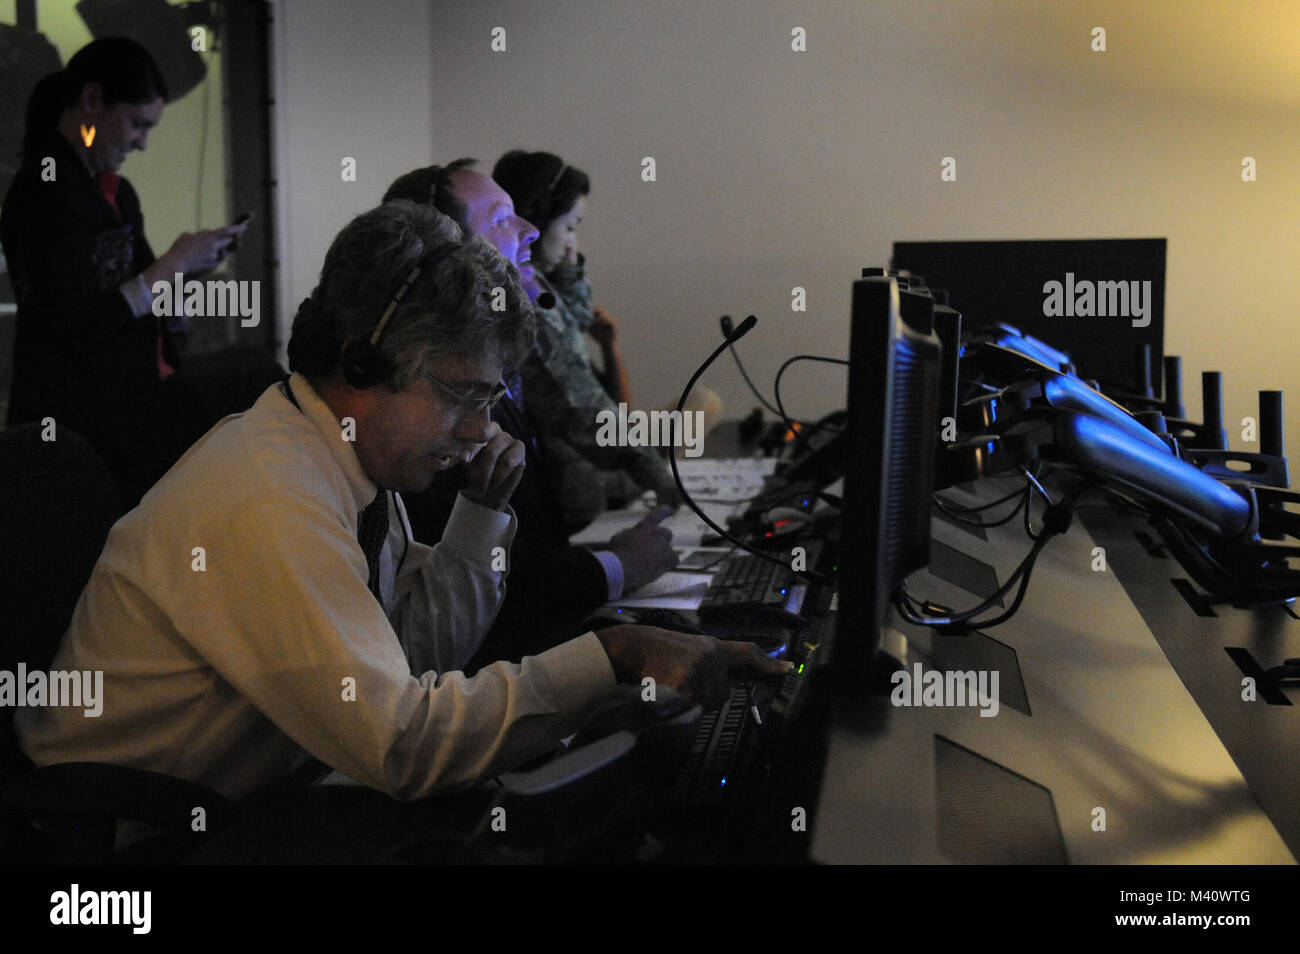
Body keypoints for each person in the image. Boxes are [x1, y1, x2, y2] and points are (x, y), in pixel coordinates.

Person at [15, 201, 784, 804]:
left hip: (265, 791)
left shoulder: (340, 458)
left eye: (492, 399)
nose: (482, 430)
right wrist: (615, 655)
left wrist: (479, 517)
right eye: (463, 395)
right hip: (135, 841)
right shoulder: (268, 496)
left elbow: (414, 655)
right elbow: (404, 744)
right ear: (361, 363)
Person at [384, 161, 678, 667]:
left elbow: (515, 544)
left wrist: (606, 557)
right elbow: (491, 579)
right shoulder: (431, 396)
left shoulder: (493, 353)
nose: (529, 231)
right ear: (445, 254)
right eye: (501, 220)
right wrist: (613, 565)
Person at [1, 37, 246, 506]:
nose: (142, 142)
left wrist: (186, 269)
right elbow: (76, 324)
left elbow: (137, 298)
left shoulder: (115, 192)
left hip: (126, 415)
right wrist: (174, 264)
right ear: (91, 100)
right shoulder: (42, 187)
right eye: (137, 124)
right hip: (81, 430)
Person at [492, 149, 678, 530]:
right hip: (568, 501)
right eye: (571, 226)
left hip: (570, 480)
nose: (573, 243)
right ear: (540, 221)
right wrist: (656, 475)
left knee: (695, 413)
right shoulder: (527, 294)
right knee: (697, 414)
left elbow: (574, 321)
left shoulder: (533, 283)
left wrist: (570, 270)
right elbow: (583, 405)